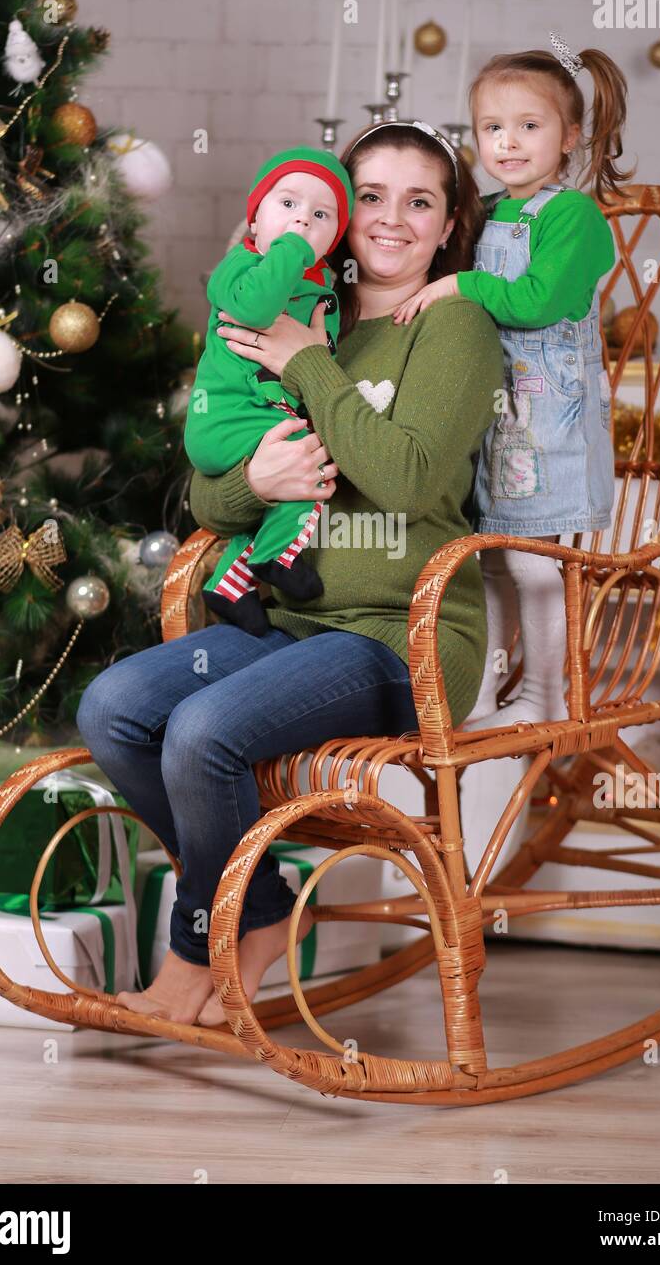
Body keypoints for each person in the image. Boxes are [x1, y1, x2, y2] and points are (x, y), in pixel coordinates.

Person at [75, 119, 504, 1028]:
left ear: (448, 222)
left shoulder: (453, 326)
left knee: (200, 733)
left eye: (419, 201)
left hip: (401, 636)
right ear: (339, 216)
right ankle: (261, 907)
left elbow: (408, 477)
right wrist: (253, 481)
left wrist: (304, 361)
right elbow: (209, 497)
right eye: (373, 198)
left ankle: (200, 948)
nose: (392, 221)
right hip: (285, 623)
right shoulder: (303, 304)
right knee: (114, 709)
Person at [393, 36, 630, 730]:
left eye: (530, 126)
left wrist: (458, 283)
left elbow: (534, 301)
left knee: (532, 567)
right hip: (494, 419)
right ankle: (487, 691)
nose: (509, 142)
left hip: (550, 419)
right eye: (492, 128)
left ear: (571, 135)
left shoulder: (571, 216)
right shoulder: (490, 210)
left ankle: (543, 696)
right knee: (490, 563)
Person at [184, 147, 354, 635]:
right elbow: (256, 310)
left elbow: (317, 355)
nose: (302, 219)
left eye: (320, 216)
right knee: (309, 465)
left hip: (263, 415)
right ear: (254, 222)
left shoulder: (320, 286)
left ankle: (229, 587)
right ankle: (278, 560)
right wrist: (293, 249)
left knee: (287, 486)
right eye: (287, 205)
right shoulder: (242, 266)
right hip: (226, 417)